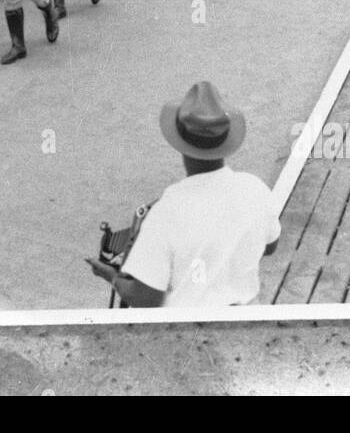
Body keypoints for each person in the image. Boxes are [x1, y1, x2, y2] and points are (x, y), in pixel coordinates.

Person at [85, 81, 280, 308]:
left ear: (180, 145)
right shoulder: (254, 189)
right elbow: (270, 246)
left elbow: (146, 298)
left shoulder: (167, 210)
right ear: (225, 141)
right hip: (246, 319)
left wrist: (112, 277)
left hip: (185, 331)